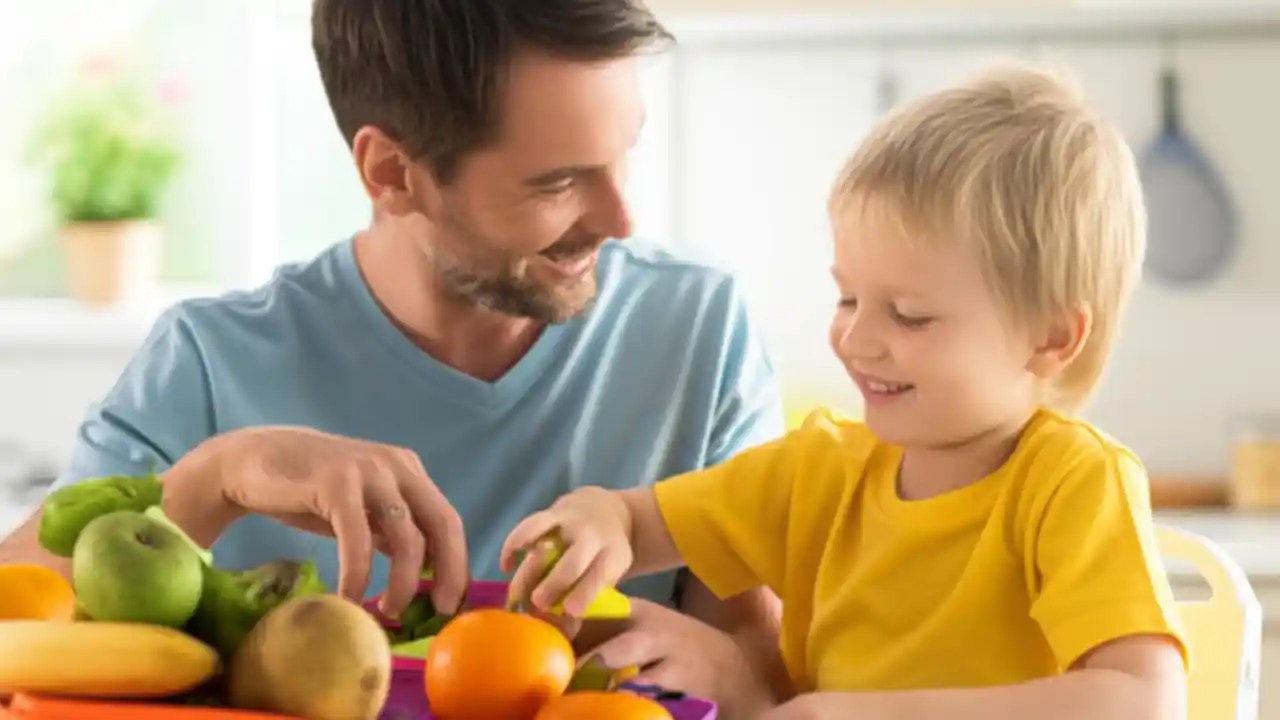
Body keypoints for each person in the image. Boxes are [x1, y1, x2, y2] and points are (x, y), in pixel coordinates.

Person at [0, 0, 788, 713]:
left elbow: (769, 663)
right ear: (391, 174)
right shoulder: (209, 362)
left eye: (624, 155)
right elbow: (18, 638)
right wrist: (219, 476)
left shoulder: (697, 329)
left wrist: (734, 674)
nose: (621, 219)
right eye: (557, 183)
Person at [502, 63, 1191, 719]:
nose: (856, 340)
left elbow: (1143, 700)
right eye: (848, 297)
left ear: (1050, 338)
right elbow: (635, 520)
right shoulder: (818, 472)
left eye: (909, 315)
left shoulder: (1072, 484)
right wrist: (598, 521)